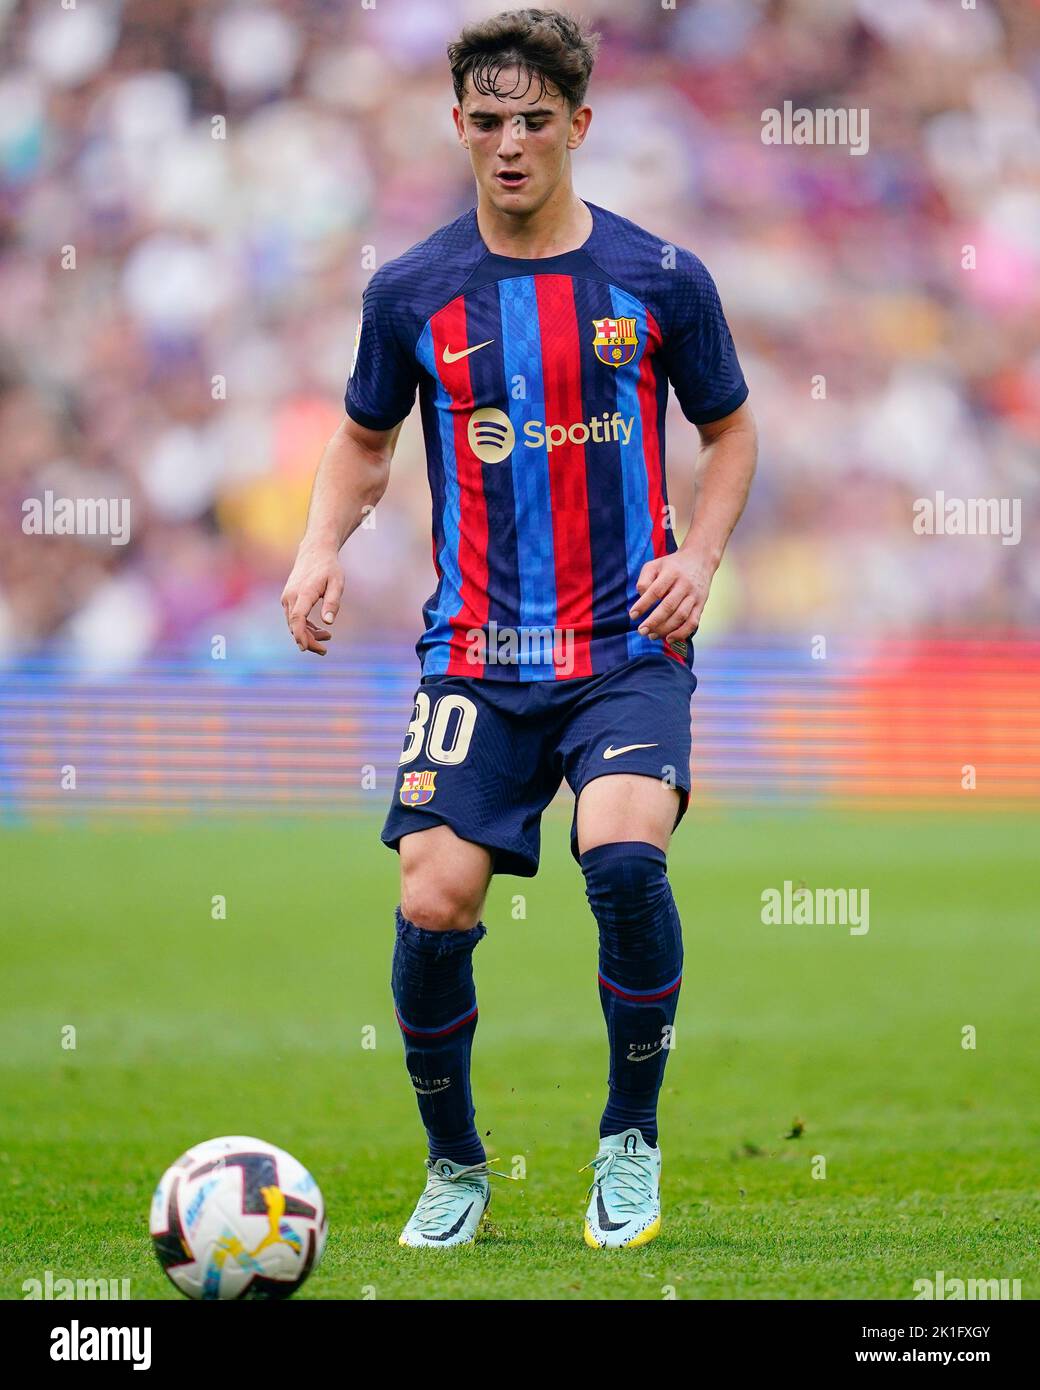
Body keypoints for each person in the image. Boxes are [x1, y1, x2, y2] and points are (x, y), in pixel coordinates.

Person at [281, 7, 757, 1249]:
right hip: (479, 654)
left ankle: (628, 1139)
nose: (508, 143)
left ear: (577, 128)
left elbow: (730, 429)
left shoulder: (658, 277)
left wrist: (698, 558)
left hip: (624, 645)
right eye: (486, 121)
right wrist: (319, 548)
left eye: (533, 121)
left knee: (622, 857)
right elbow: (361, 440)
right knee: (431, 900)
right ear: (457, 127)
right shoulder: (412, 290)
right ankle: (455, 1166)